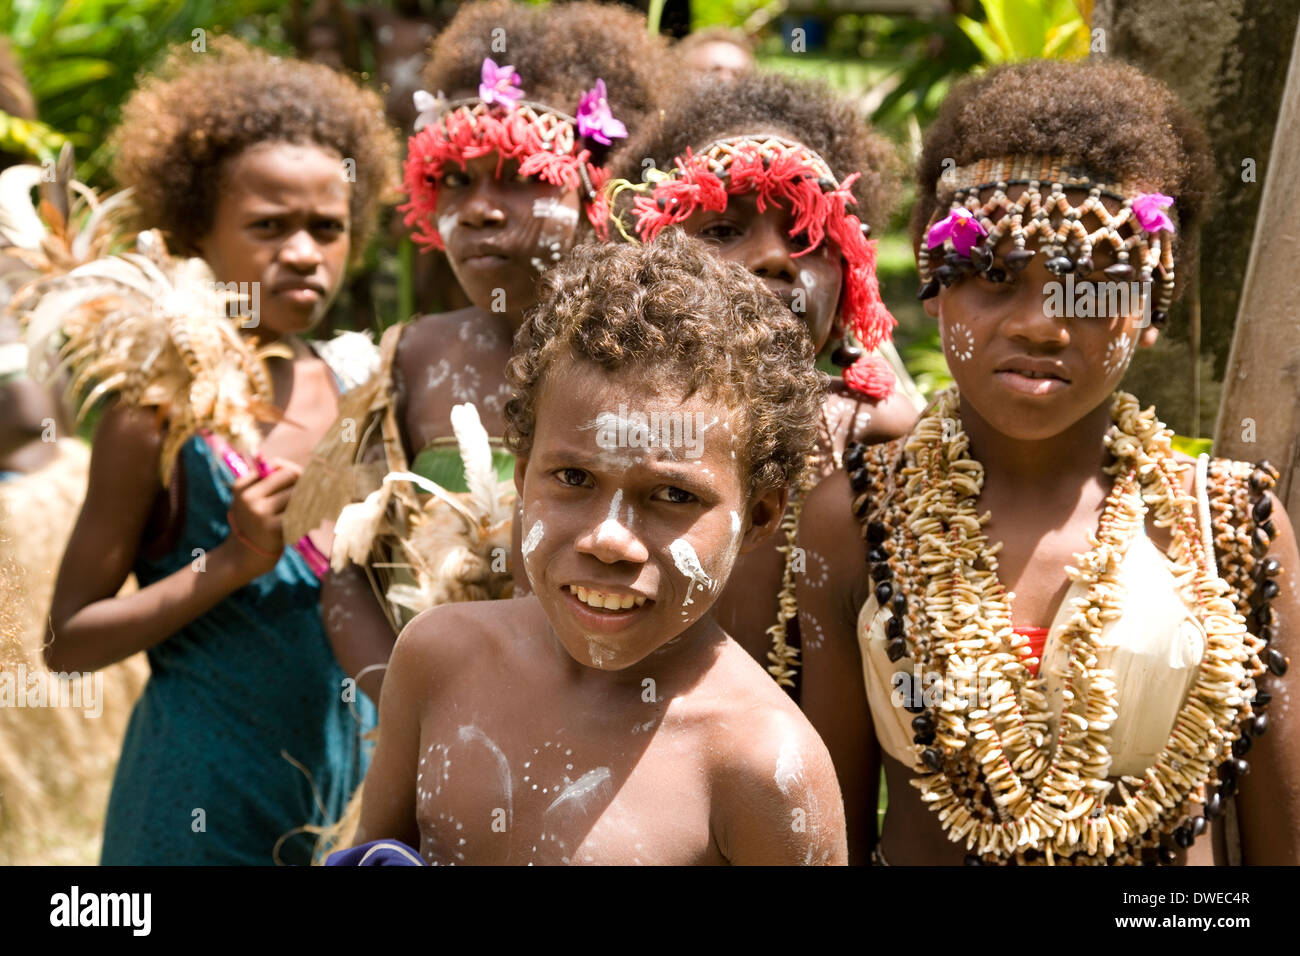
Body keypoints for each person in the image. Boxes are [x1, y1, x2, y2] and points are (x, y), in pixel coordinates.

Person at [797, 59, 1299, 865]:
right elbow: (833, 835)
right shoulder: (853, 519)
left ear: (1151, 309)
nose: (1040, 322)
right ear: (933, 288)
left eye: (1093, 284)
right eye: (995, 276)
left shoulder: (1230, 526)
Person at [343, 229, 847, 865]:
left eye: (672, 495)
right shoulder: (437, 659)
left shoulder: (762, 764)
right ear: (522, 474)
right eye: (575, 478)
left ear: (760, 516)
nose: (610, 538)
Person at [39, 37, 400, 865]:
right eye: (268, 228)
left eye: (327, 228)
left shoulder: (366, 390)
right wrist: (231, 559)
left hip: (344, 809)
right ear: (196, 235)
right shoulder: (154, 416)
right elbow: (68, 641)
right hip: (194, 808)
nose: (304, 253)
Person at [285, 0, 670, 705]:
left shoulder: (654, 364)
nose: (481, 209)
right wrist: (411, 712)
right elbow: (341, 568)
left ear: (595, 190)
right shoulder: (412, 357)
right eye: (455, 181)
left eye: (521, 177)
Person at [606, 71, 918, 703]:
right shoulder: (598, 436)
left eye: (806, 236)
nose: (775, 258)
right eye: (724, 231)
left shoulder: (876, 437)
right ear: (652, 265)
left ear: (852, 280)